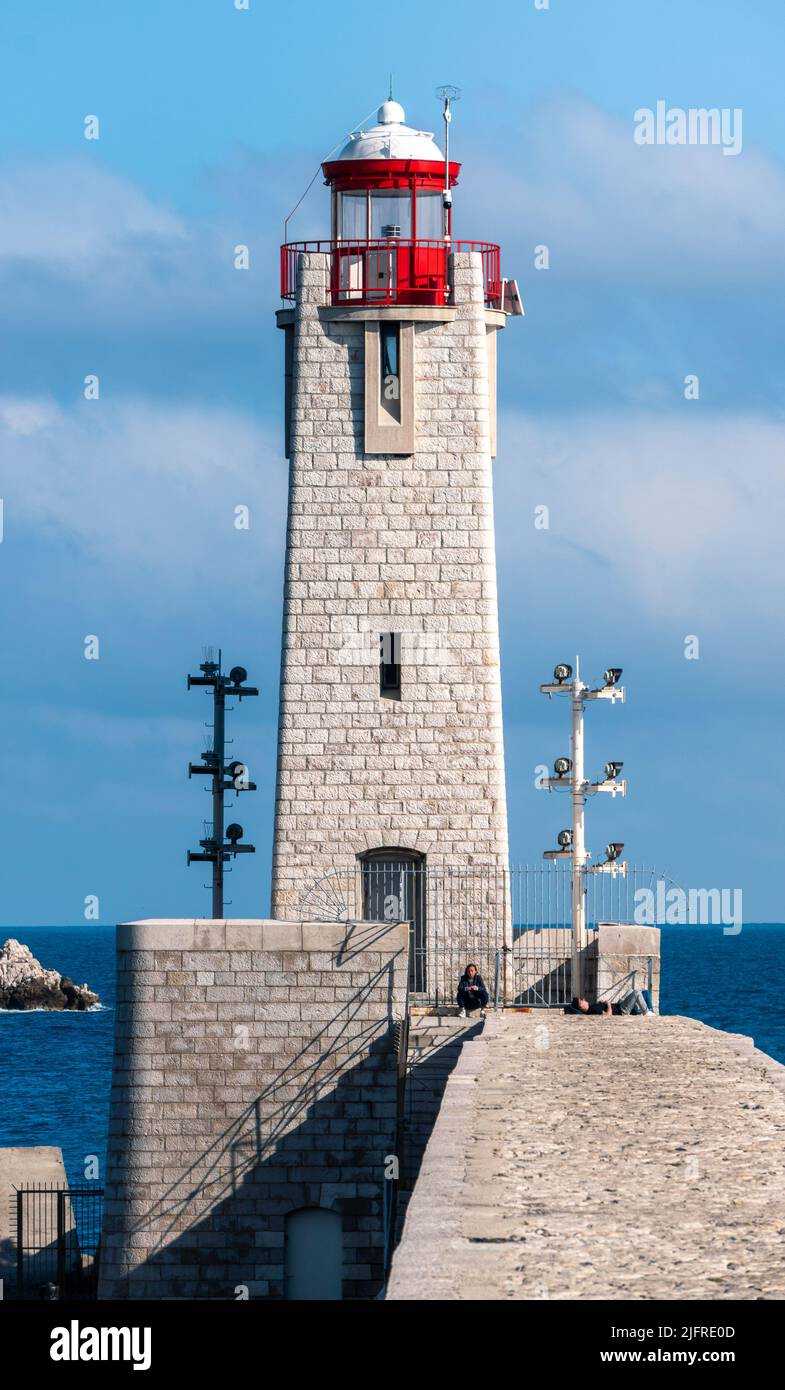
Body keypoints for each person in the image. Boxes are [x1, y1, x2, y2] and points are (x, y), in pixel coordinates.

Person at [566, 988, 655, 1016]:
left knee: (631, 990)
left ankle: (648, 1010)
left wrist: (602, 1003)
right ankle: (646, 1012)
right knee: (636, 993)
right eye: (582, 1000)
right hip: (622, 1010)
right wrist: (608, 1004)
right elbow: (608, 1015)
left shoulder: (592, 1007)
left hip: (618, 1005)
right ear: (581, 1006)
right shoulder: (592, 1009)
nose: (584, 999)